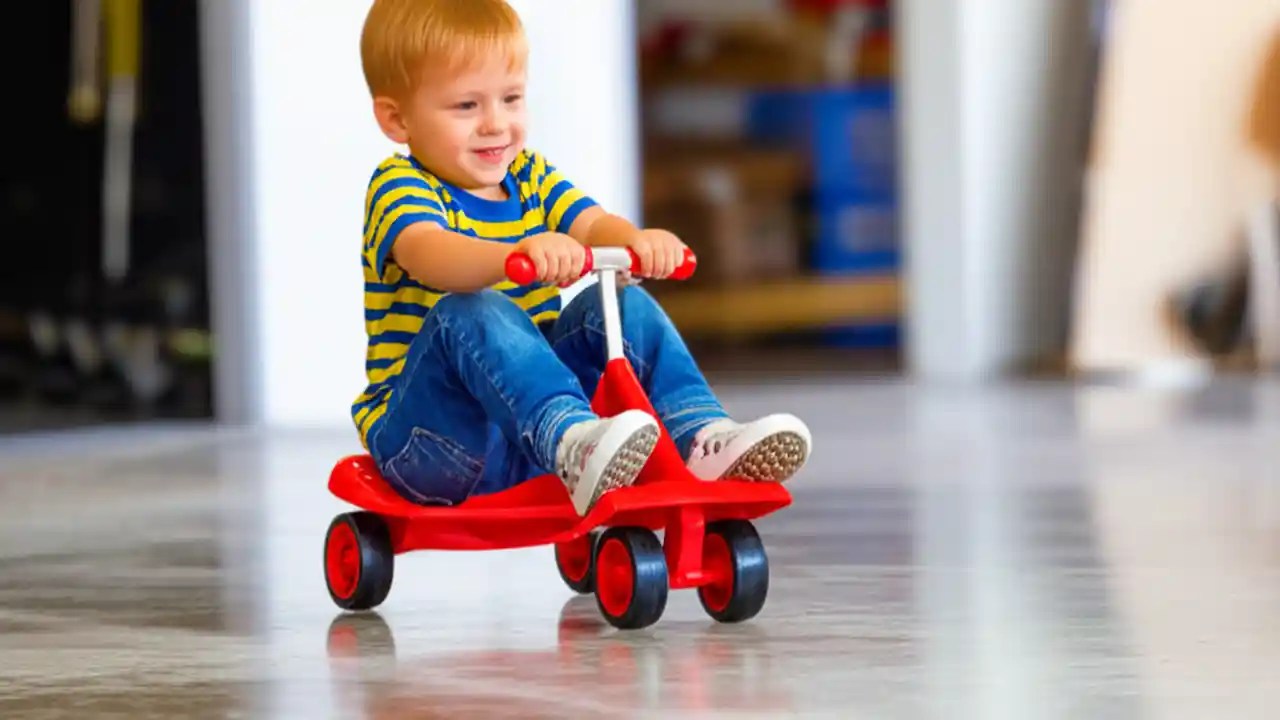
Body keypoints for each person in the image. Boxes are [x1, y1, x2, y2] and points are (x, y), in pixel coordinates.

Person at [353, 0, 812, 516]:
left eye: (511, 98)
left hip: (524, 436)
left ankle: (700, 436)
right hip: (434, 443)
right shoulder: (400, 184)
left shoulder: (528, 175)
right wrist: (514, 255)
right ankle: (573, 441)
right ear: (397, 119)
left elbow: (591, 223)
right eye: (466, 106)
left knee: (620, 302)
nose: (496, 124)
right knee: (472, 309)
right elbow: (430, 254)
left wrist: (635, 239)